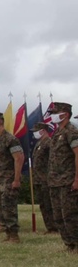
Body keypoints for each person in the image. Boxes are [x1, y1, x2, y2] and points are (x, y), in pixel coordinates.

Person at [0, 112, 23, 243]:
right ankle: (7, 232)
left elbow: (18, 158)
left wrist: (17, 179)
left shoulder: (10, 139)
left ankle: (14, 234)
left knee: (9, 206)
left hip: (8, 178)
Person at [46, 102, 78, 252]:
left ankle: (76, 243)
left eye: (55, 112)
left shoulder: (71, 131)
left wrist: (76, 179)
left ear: (65, 114)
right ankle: (69, 243)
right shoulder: (57, 133)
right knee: (58, 215)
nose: (51, 116)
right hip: (55, 181)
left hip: (68, 180)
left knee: (70, 214)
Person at [30, 122, 57, 234]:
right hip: (39, 179)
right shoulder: (39, 144)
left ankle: (55, 227)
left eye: (36, 131)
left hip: (47, 179)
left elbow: (53, 161)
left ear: (43, 130)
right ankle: (49, 227)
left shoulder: (48, 143)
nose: (34, 133)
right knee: (43, 204)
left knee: (49, 204)